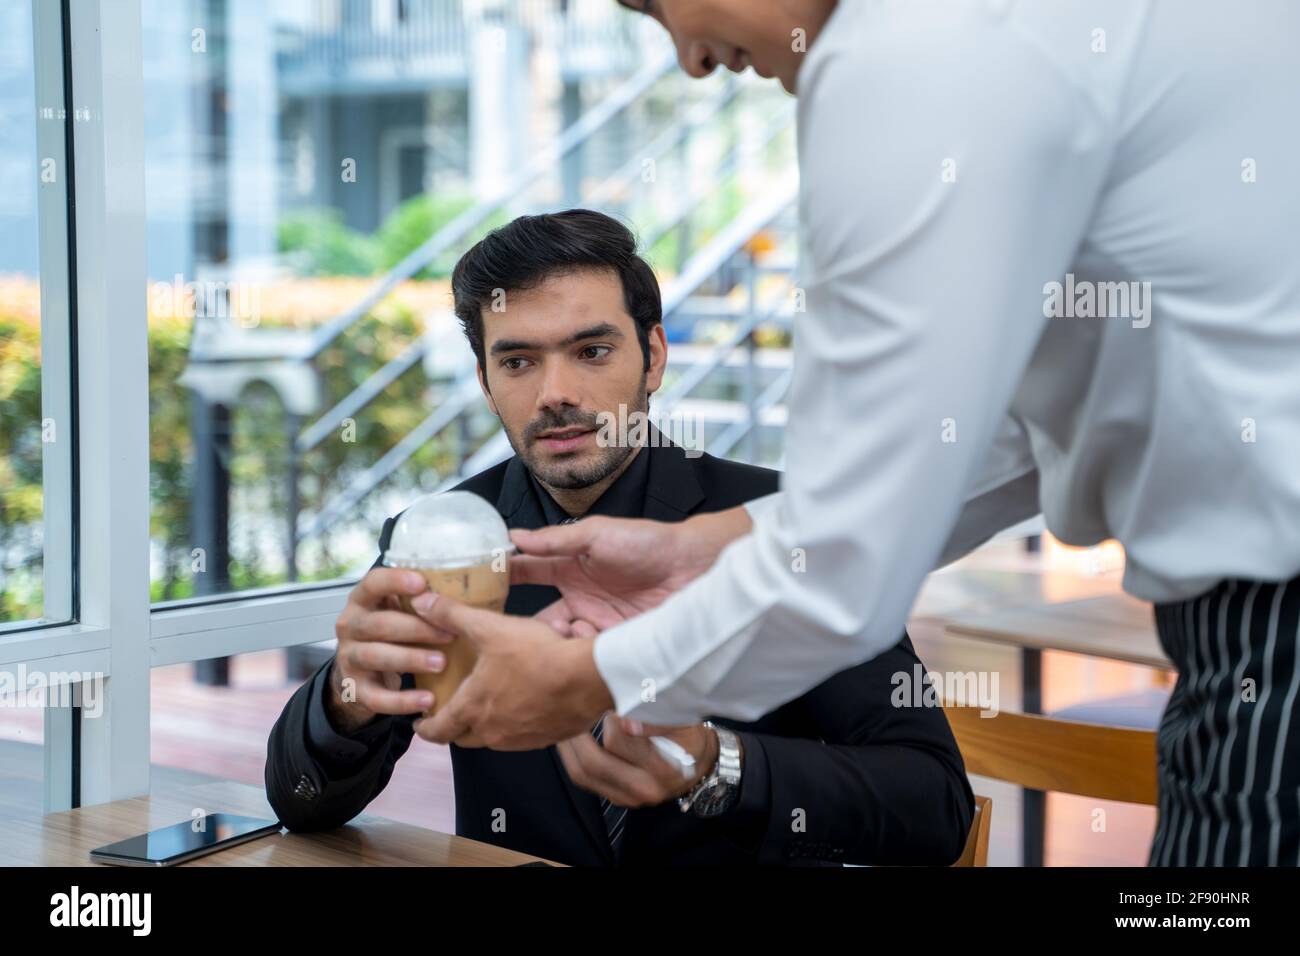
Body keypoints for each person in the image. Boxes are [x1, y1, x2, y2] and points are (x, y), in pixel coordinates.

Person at [412, 0, 1300, 868]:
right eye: (518, 360)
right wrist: (706, 549)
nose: (686, 55)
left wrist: (597, 674)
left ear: (654, 354)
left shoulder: (899, 57)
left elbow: (851, 571)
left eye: (652, 7)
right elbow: (1008, 441)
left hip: (1271, 623)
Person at [264, 210, 975, 866]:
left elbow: (936, 806)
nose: (555, 393)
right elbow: (299, 803)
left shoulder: (782, 520)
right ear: (484, 380)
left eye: (593, 351)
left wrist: (718, 765)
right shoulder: (441, 538)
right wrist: (348, 695)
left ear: (654, 356)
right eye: (518, 362)